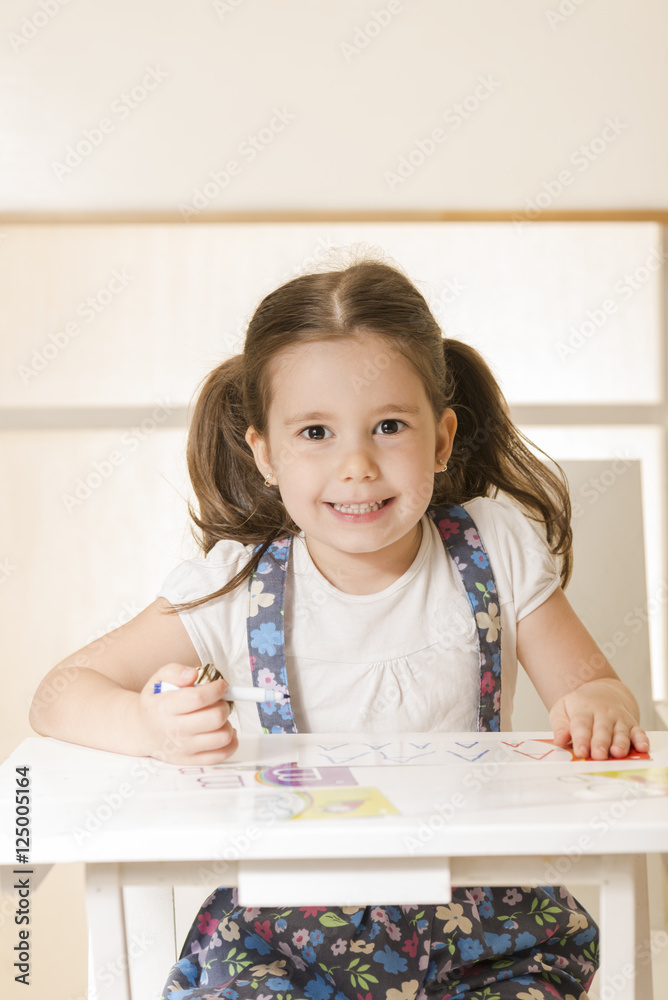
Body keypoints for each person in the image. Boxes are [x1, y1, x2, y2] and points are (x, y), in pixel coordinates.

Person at [30, 256, 649, 1000]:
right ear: (265, 452)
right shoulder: (237, 585)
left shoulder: (492, 548)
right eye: (316, 432)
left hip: (485, 925)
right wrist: (148, 725)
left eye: (389, 426)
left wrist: (598, 708)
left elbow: (595, 690)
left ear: (443, 438)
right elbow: (60, 693)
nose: (356, 465)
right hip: (285, 937)